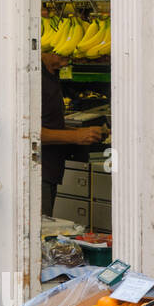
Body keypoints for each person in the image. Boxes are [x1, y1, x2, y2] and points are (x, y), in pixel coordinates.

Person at [41, 51, 104, 216]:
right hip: (38, 172)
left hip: (51, 171)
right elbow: (29, 132)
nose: (65, 63)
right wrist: (75, 137)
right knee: (40, 228)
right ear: (45, 50)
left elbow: (51, 125)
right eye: (61, 57)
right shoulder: (35, 78)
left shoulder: (51, 75)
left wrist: (82, 133)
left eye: (68, 58)